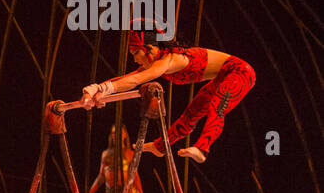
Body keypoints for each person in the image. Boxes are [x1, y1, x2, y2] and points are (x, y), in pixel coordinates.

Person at [80, 27, 256, 163]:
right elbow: (129, 77)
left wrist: (98, 89)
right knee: (191, 114)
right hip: (222, 76)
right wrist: (97, 90)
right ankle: (160, 146)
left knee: (216, 107)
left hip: (240, 72)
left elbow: (136, 80)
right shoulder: (158, 61)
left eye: (135, 53)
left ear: (149, 48)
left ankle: (202, 149)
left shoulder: (169, 60)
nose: (134, 59)